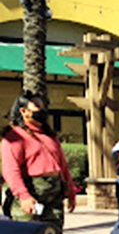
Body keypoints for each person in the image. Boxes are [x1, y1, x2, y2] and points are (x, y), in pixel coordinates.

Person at [1, 92, 76, 226]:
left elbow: (62, 165)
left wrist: (71, 190)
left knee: (52, 233)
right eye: (37, 106)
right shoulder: (15, 137)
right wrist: (24, 196)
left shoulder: (49, 136)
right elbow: (10, 170)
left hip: (54, 197)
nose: (42, 110)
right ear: (23, 111)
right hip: (31, 193)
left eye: (43, 106)